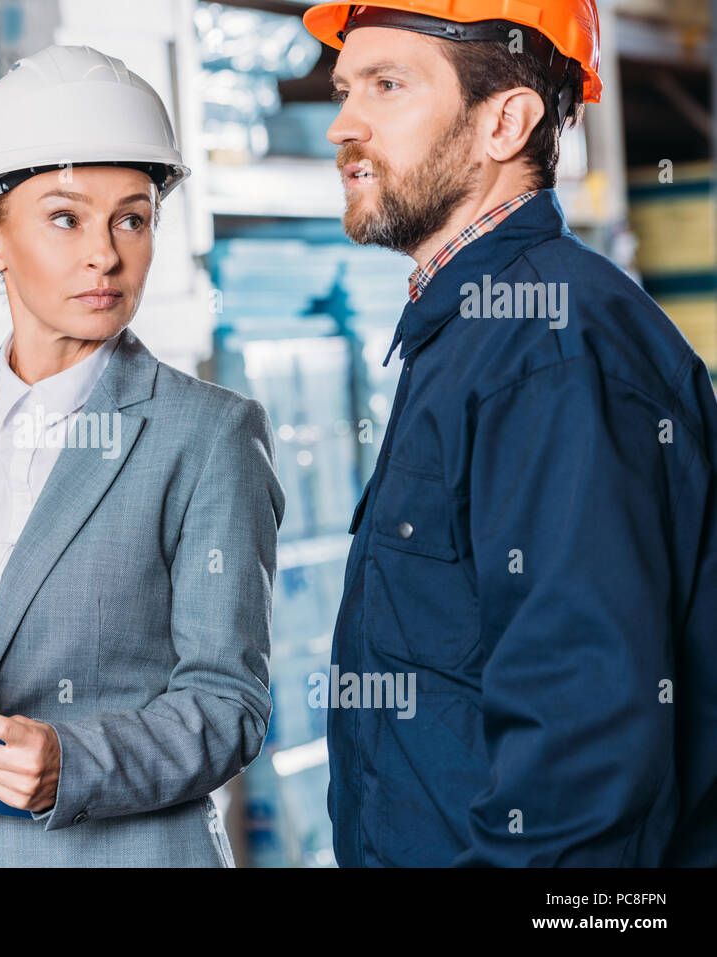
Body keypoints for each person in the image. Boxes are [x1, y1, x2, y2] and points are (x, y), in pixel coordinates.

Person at [0, 44, 286, 867]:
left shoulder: (208, 434)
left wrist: (70, 765)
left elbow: (230, 704)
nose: (105, 255)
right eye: (64, 216)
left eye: (133, 217)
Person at [304, 0, 717, 865]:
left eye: (387, 85)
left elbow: (586, 759)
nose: (344, 121)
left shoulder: (551, 348)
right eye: (347, 88)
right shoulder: (473, 332)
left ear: (505, 121)